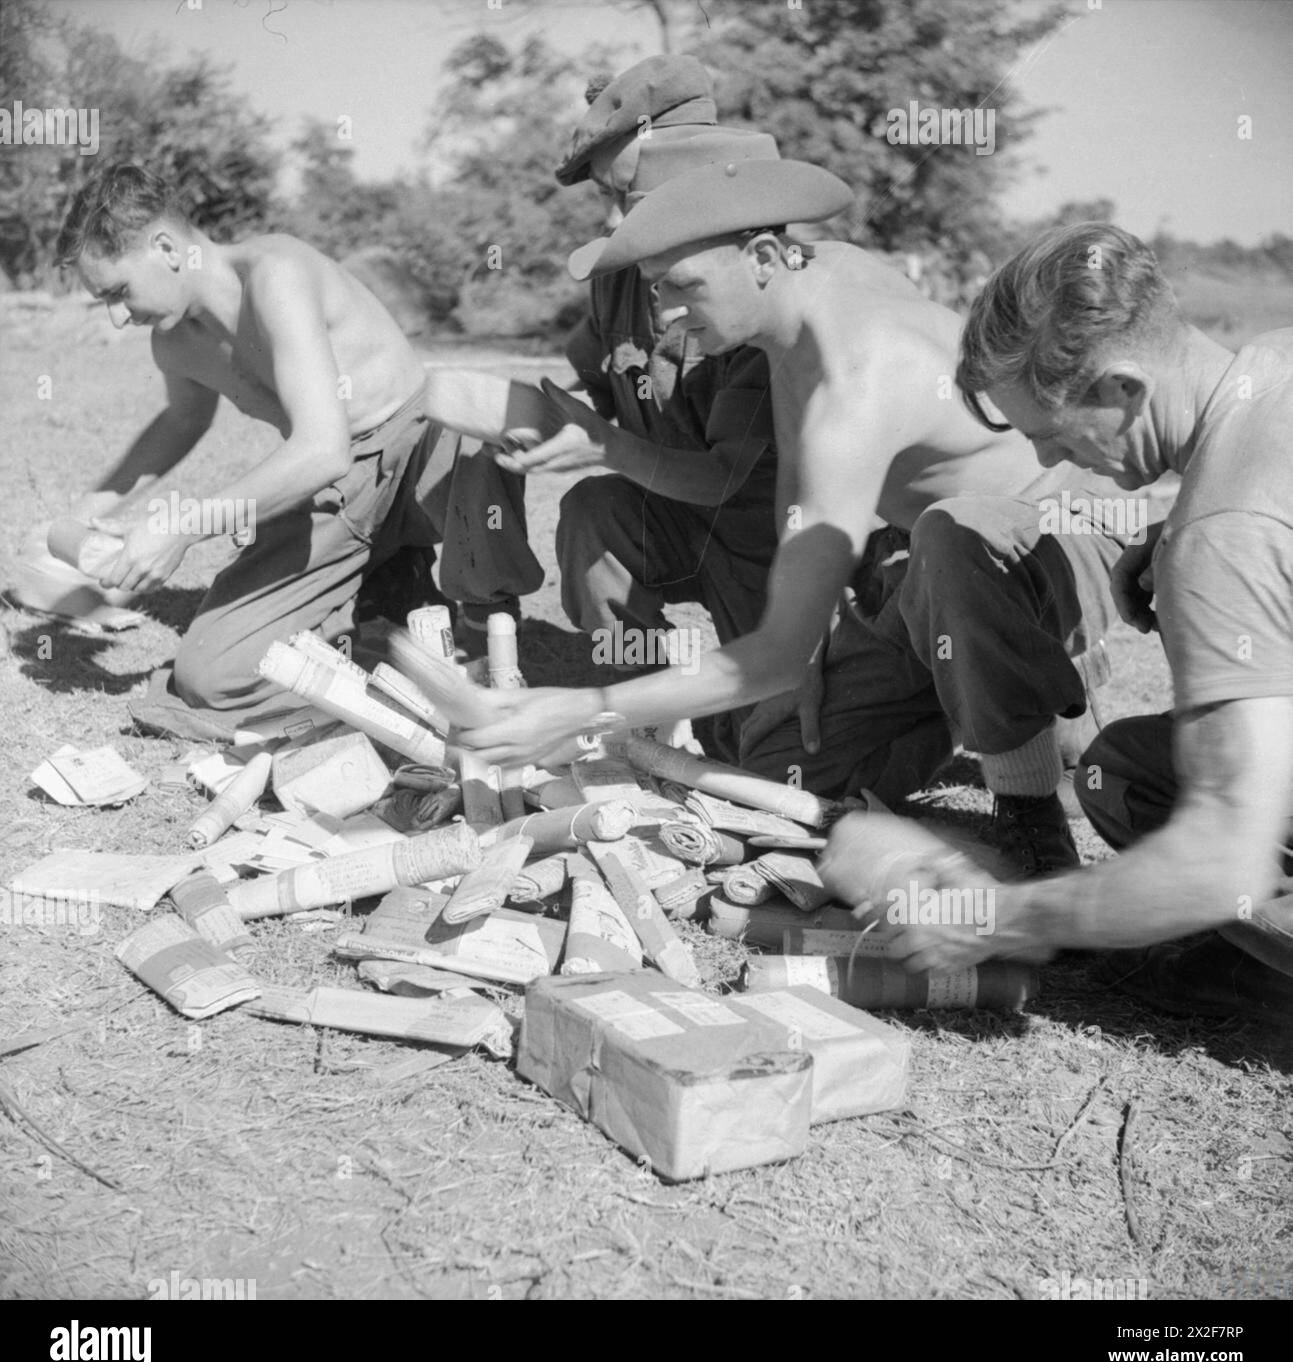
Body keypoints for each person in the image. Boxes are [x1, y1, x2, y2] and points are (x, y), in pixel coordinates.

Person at [462, 159, 1146, 874]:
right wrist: (813, 665)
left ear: (762, 257)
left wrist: (579, 710)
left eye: (684, 285)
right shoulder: (802, 307)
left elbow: (778, 649)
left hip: (1057, 535)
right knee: (781, 768)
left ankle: (1032, 806)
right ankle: (965, 688)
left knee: (952, 540)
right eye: (655, 289)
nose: (666, 314)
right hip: (916, 560)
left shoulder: (851, 381)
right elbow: (802, 547)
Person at [822, 222, 1292, 1024]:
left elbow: (1218, 858)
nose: (1044, 464)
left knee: (1132, 790)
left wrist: (1001, 919)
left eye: (1047, 433)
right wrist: (1172, 531)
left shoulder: (1227, 535)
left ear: (1120, 387)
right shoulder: (1273, 363)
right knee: (1129, 767)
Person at [48, 163, 542, 739]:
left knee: (480, 420)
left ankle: (489, 647)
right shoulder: (174, 343)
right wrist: (85, 514)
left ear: (165, 247)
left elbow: (320, 448)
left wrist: (185, 525)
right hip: (338, 494)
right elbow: (180, 421)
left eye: (118, 291)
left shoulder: (275, 272)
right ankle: (384, 618)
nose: (117, 316)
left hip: (416, 450)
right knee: (210, 678)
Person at [500, 55, 783, 752]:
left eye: (629, 194)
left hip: (771, 537)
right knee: (594, 513)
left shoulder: (756, 273)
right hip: (671, 515)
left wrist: (604, 445)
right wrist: (516, 425)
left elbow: (725, 475)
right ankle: (646, 703)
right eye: (613, 197)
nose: (615, 219)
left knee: (765, 743)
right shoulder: (618, 279)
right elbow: (588, 382)